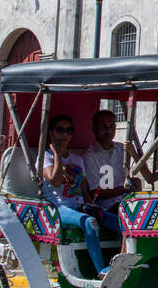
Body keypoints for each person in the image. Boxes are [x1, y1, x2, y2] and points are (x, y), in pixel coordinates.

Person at [42, 115, 117, 277]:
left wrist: (94, 207)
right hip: (59, 208)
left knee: (120, 222)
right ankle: (100, 271)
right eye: (60, 130)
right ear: (51, 133)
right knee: (89, 222)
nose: (65, 134)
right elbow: (55, 181)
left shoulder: (77, 159)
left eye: (69, 130)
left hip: (80, 206)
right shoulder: (45, 158)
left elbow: (84, 190)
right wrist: (57, 154)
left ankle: (120, 263)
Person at [82, 109, 141, 213]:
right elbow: (95, 193)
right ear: (94, 129)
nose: (108, 131)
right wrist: (124, 189)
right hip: (107, 207)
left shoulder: (122, 149)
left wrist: (134, 183)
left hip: (126, 200)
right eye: (103, 127)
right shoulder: (90, 156)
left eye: (112, 126)